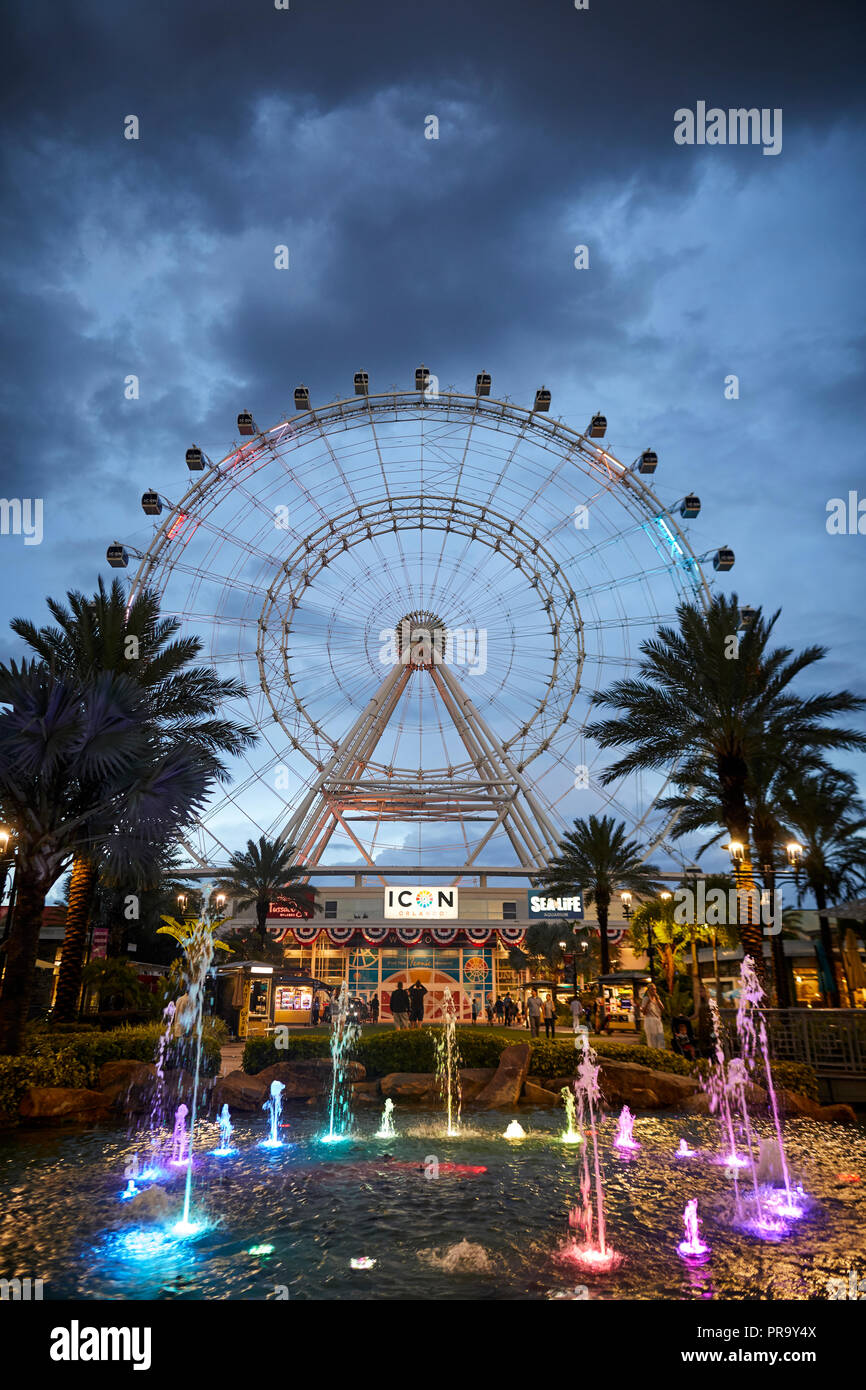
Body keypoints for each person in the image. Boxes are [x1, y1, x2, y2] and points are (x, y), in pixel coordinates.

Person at [640, 982, 665, 1050]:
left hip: (658, 1020)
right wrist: (648, 1002)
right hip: (650, 1020)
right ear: (648, 991)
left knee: (660, 1038)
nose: (654, 991)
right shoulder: (646, 999)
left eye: (655, 989)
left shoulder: (657, 999)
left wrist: (658, 999)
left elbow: (663, 1009)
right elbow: (644, 1012)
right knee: (652, 1039)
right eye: (652, 989)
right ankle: (653, 1052)